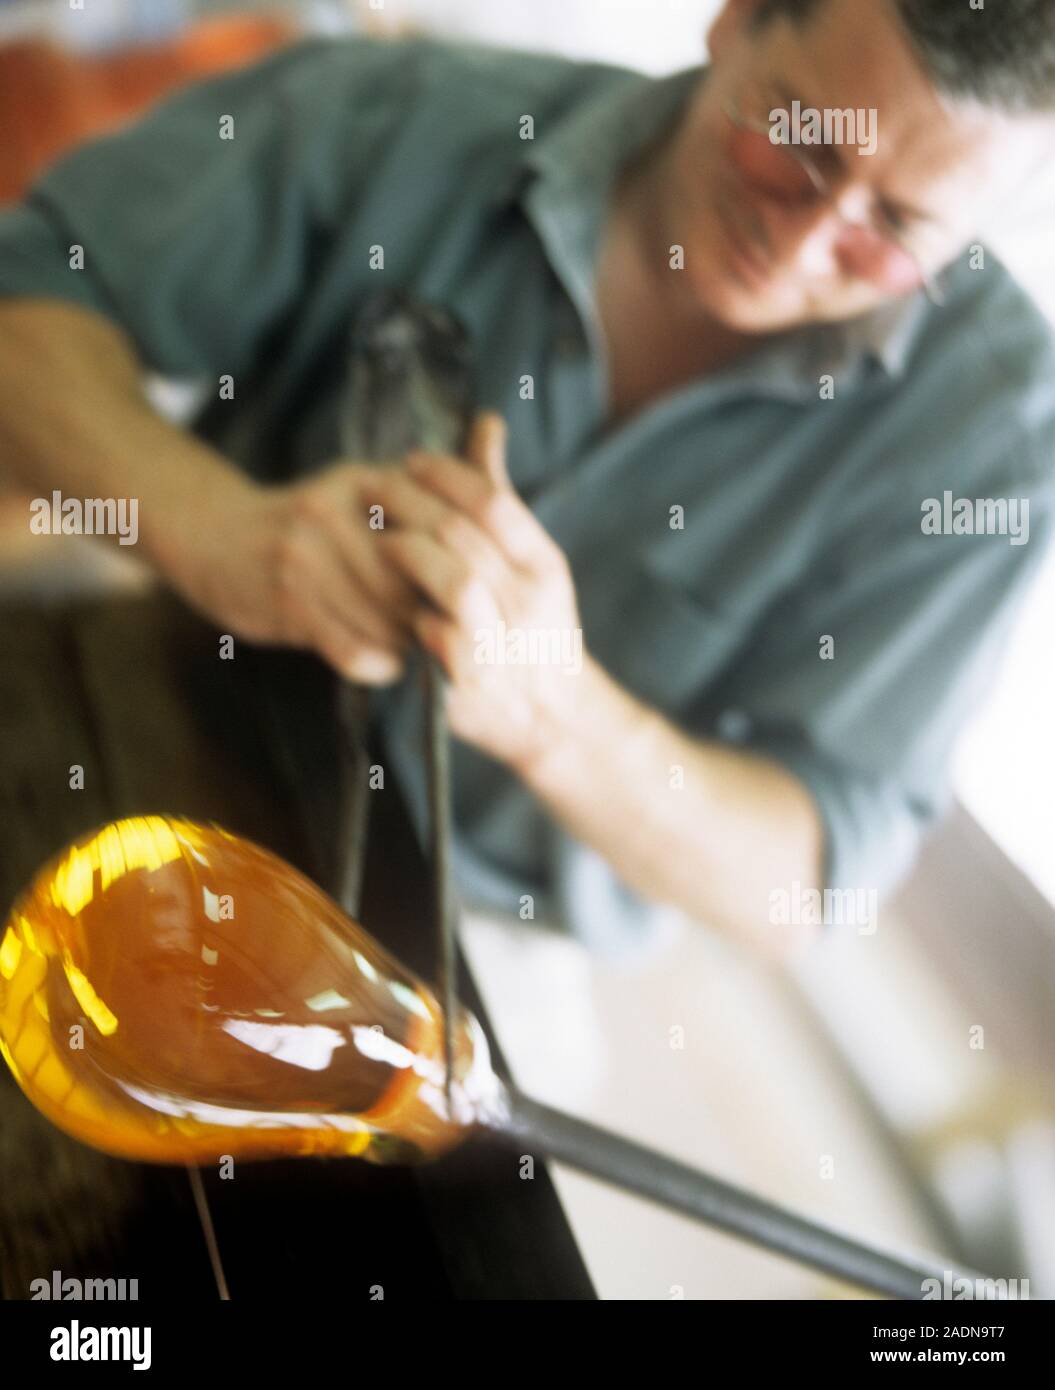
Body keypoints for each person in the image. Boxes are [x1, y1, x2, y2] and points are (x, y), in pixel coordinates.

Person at [0, 0, 1052, 957]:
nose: (802, 240)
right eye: (796, 141)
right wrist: (213, 527)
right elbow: (30, 287)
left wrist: (558, 716)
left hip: (489, 932)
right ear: (732, 21)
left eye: (897, 230)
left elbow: (807, 883)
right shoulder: (414, 118)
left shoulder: (991, 438)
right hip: (190, 680)